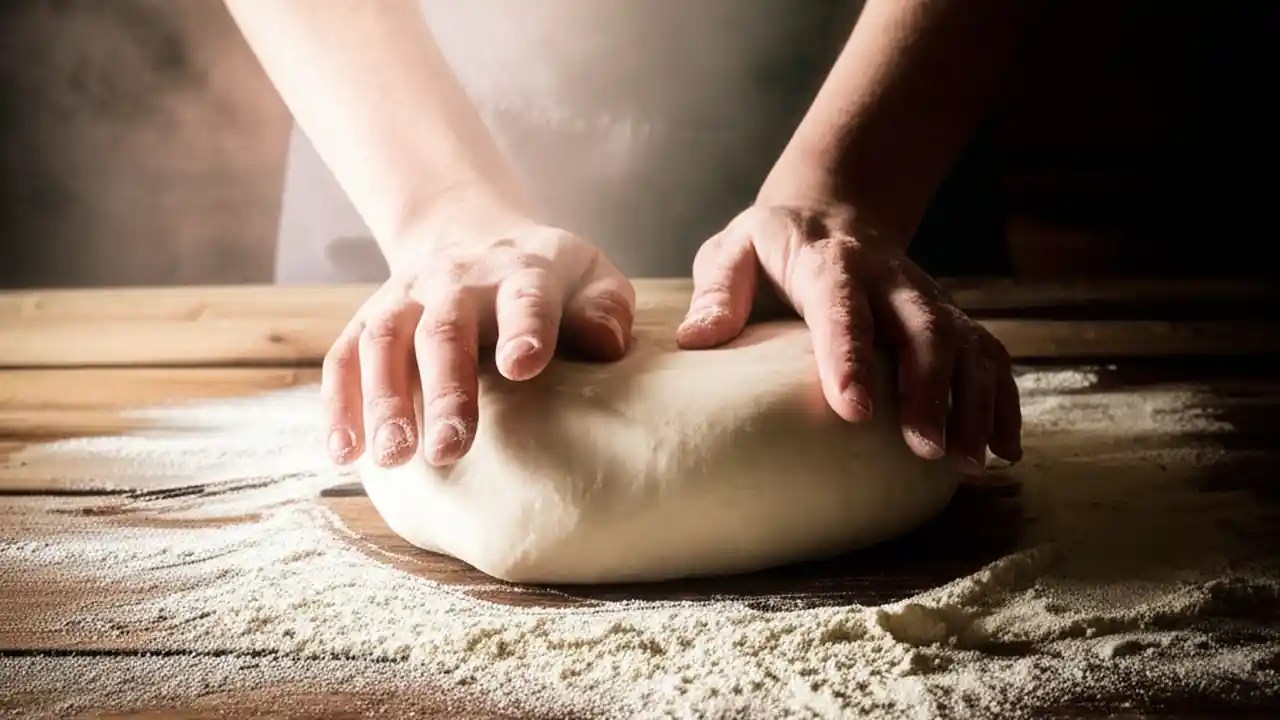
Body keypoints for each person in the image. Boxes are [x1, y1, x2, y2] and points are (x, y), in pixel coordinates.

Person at [226, 0, 1031, 477]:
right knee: (438, 422)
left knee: (890, 402)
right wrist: (437, 208)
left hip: (882, 122)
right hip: (390, 137)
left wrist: (854, 182)